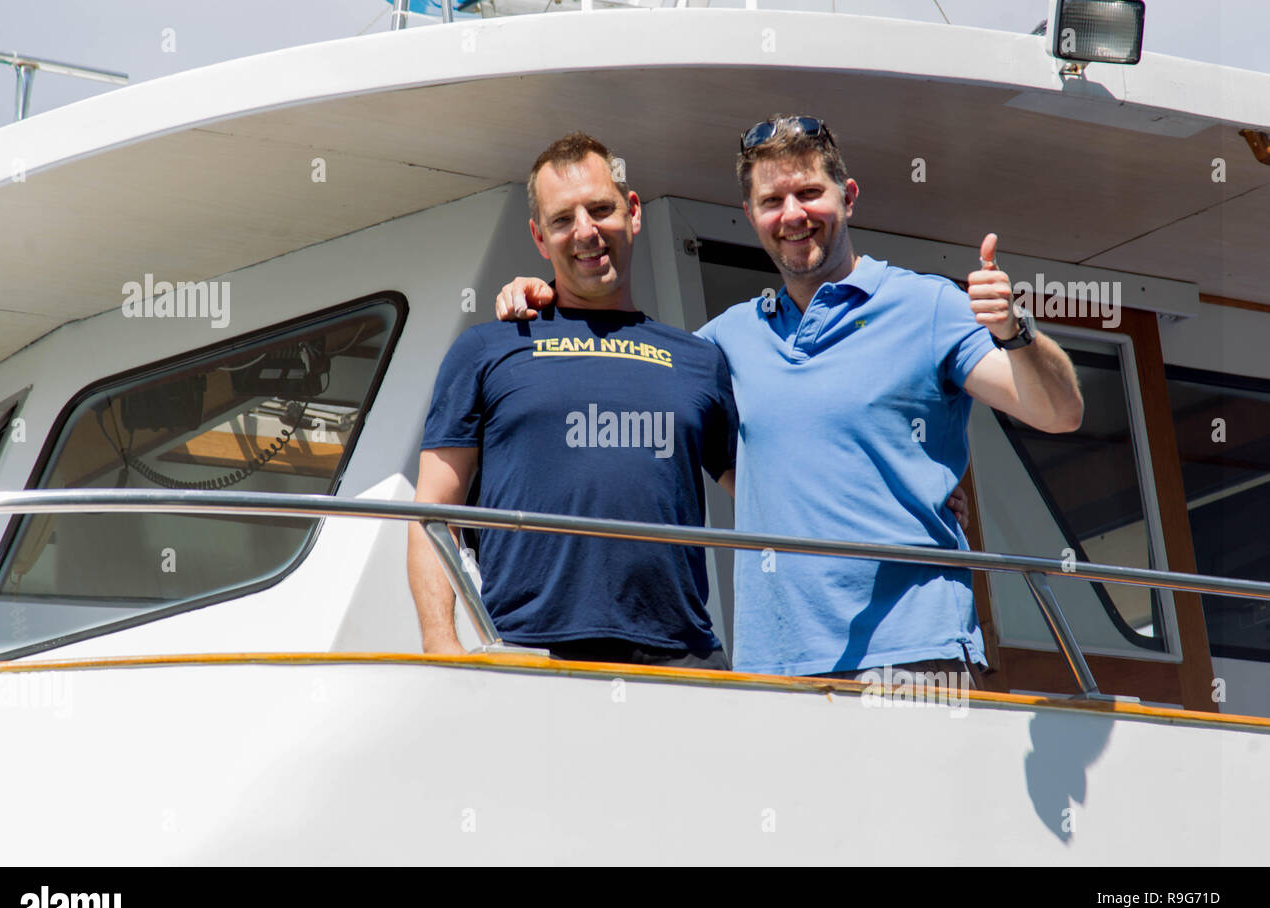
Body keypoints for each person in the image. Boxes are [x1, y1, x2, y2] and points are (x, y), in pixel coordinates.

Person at [493, 115, 1084, 681]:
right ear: (751, 215)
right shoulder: (723, 341)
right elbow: (635, 392)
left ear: (848, 197)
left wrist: (1015, 331)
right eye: (772, 201)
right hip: (773, 666)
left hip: (912, 655)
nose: (793, 214)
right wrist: (550, 302)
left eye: (809, 193)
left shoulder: (927, 306)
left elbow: (1059, 413)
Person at [407, 132, 738, 668]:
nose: (586, 231)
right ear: (540, 238)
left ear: (633, 213)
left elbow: (763, 492)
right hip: (530, 655)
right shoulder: (486, 349)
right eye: (563, 219)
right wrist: (441, 647)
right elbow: (431, 512)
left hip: (683, 656)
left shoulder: (698, 359)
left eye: (600, 209)